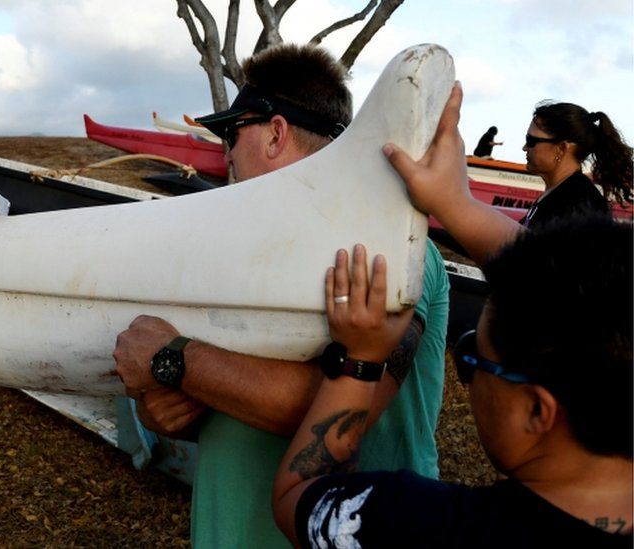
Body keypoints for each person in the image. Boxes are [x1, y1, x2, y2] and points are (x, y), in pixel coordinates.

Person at [112, 44, 450, 548]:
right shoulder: (241, 251)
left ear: (275, 133)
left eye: (232, 133)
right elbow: (222, 391)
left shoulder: (387, 250)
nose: (225, 153)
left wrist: (172, 360)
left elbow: (340, 412)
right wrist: (163, 411)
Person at [272, 220, 632, 547]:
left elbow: (296, 493)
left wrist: (359, 360)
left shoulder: (422, 524)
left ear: (536, 411)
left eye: (469, 356)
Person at [519, 102, 632, 228]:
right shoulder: (562, 194)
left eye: (531, 141)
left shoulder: (579, 204)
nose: (524, 147)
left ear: (561, 148)